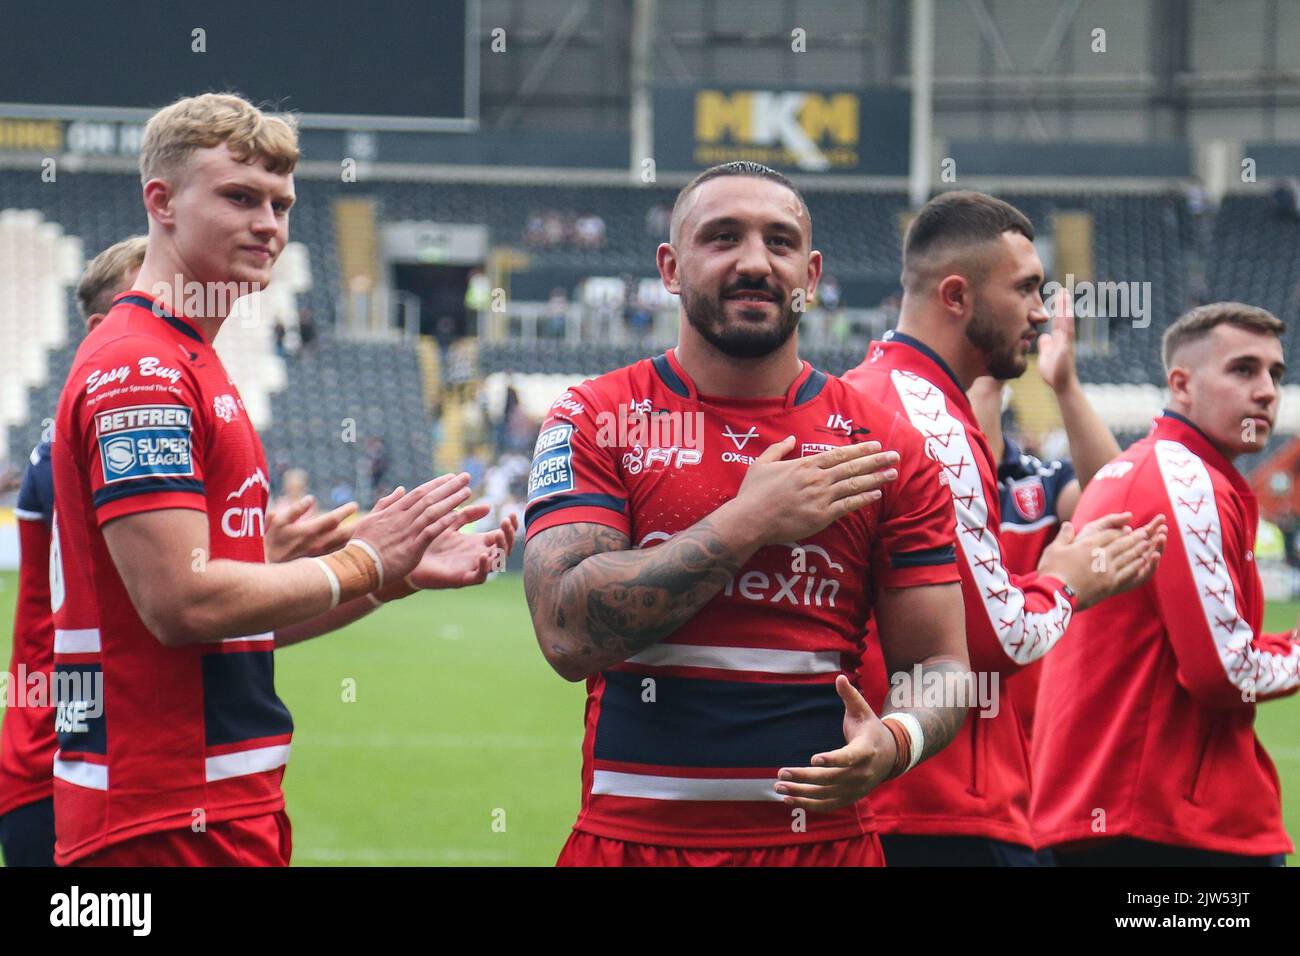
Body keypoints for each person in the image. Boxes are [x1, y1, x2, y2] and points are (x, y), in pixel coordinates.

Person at [49, 92, 516, 867]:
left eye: (281, 202)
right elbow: (181, 604)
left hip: (212, 803)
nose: (269, 223)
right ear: (159, 202)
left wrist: (386, 580)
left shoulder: (189, 359)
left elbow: (229, 627)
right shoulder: (143, 367)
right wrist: (359, 560)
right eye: (239, 197)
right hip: (159, 813)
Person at [523, 161, 971, 867]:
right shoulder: (597, 417)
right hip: (635, 845)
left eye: (781, 242)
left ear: (813, 274)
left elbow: (941, 663)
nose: (756, 262)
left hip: (821, 847)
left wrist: (896, 741)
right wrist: (746, 521)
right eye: (723, 238)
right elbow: (565, 633)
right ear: (670, 267)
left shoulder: (884, 447)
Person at [841, 190, 1166, 866]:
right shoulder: (930, 420)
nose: (1041, 311)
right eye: (1026, 289)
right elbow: (989, 640)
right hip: (941, 805)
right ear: (957, 296)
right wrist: (1064, 582)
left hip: (896, 793)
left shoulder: (865, 390)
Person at [1032, 303, 1300, 866]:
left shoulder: (1144, 468)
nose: (1267, 390)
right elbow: (1224, 673)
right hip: (1167, 827)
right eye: (1243, 369)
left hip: (1109, 816)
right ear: (1180, 383)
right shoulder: (1185, 480)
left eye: (1275, 373)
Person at [0, 236, 146, 867]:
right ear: (98, 327)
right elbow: (170, 605)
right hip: (63, 761)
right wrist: (358, 573)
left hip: (81, 754)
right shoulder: (98, 432)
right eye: (147, 304)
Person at [966, 290, 1124, 742]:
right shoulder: (924, 478)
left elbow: (1114, 499)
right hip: (946, 742)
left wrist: (1067, 388)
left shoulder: (1040, 483)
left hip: (1041, 741)